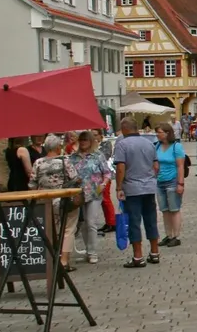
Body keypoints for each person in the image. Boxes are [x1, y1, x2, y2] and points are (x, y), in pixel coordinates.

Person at [114, 117, 161, 268]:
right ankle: (154, 252)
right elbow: (155, 166)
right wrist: (150, 179)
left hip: (132, 188)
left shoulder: (122, 145)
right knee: (151, 219)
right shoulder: (149, 143)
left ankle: (138, 256)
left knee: (134, 221)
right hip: (149, 186)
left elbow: (121, 167)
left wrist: (119, 187)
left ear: (124, 129)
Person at [30, 134, 81, 272]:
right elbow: (76, 178)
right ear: (59, 147)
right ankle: (64, 261)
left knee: (50, 230)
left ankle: (51, 259)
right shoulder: (65, 161)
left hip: (44, 201)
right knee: (68, 229)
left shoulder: (38, 162)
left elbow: (31, 184)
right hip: (64, 200)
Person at [69, 131, 112, 264]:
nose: (83, 143)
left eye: (85, 140)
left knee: (91, 222)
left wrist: (104, 184)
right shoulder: (73, 157)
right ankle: (88, 250)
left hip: (94, 192)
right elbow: (69, 174)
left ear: (91, 141)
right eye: (81, 140)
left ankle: (93, 252)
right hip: (78, 194)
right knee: (82, 224)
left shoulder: (97, 155)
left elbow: (107, 172)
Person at [153, 124, 186, 247]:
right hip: (160, 181)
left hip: (172, 180)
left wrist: (180, 183)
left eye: (159, 132)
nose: (157, 134)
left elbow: (180, 166)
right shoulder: (157, 146)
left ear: (167, 133)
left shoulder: (176, 147)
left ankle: (176, 236)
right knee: (164, 210)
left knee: (174, 209)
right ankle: (169, 234)